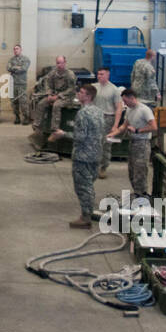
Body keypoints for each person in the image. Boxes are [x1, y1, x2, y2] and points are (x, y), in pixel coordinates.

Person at [58, 84, 103, 229]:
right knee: (89, 184)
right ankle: (89, 212)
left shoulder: (82, 113)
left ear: (88, 96)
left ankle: (85, 217)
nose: (78, 94)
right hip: (96, 154)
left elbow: (80, 136)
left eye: (82, 92)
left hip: (83, 155)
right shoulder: (98, 111)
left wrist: (63, 134)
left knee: (83, 187)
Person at [110, 88, 157, 199]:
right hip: (133, 143)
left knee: (140, 171)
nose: (124, 103)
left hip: (142, 144)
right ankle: (137, 193)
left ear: (132, 98)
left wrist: (137, 130)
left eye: (125, 101)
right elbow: (124, 125)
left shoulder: (144, 110)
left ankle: (142, 195)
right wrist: (114, 133)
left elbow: (154, 127)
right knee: (132, 171)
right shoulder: (129, 110)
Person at [31, 55, 77, 136]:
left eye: (61, 63)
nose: (59, 65)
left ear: (65, 63)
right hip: (54, 94)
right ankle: (37, 124)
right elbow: (48, 84)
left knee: (56, 105)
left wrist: (58, 96)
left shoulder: (70, 74)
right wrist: (49, 94)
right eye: (58, 63)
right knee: (41, 103)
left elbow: (71, 89)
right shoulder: (53, 73)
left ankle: (54, 128)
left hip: (67, 96)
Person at [91, 67, 124, 178]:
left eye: (102, 74)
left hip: (108, 118)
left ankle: (103, 167)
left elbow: (119, 108)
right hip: (95, 117)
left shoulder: (114, 90)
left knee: (105, 144)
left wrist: (115, 125)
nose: (99, 76)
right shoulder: (94, 87)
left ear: (108, 75)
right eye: (98, 74)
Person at [6, 44, 31, 125]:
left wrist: (14, 68)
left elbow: (24, 68)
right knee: (14, 102)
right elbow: (8, 68)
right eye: (14, 49)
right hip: (13, 83)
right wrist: (18, 67)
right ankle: (17, 117)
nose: (15, 50)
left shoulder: (25, 59)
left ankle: (26, 117)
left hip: (21, 84)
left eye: (17, 49)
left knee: (23, 101)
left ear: (21, 50)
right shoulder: (11, 59)